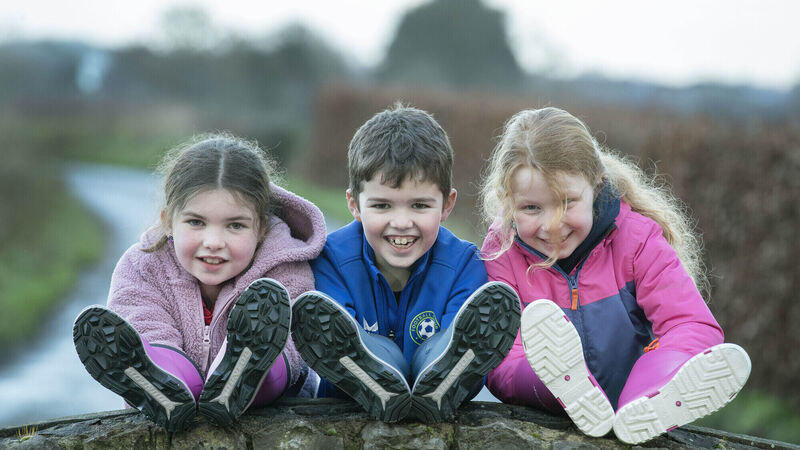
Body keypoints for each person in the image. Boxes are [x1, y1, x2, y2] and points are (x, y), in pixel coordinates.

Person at [479, 107, 752, 444]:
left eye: (567, 203)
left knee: (674, 356)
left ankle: (649, 399)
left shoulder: (635, 239)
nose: (551, 225)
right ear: (508, 202)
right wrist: (559, 384)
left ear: (597, 185)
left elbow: (691, 324)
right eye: (532, 208)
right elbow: (502, 357)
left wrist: (645, 392)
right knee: (518, 363)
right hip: (546, 404)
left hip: (632, 396)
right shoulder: (501, 251)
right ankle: (565, 387)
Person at [73, 133, 326, 431]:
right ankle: (164, 386)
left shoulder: (284, 265)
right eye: (196, 222)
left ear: (261, 228)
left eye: (235, 225)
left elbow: (294, 345)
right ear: (168, 221)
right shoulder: (144, 266)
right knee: (152, 348)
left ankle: (246, 374)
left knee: (277, 353)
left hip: (274, 411)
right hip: (173, 392)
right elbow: (144, 322)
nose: (213, 242)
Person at [291, 104, 520, 423]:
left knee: (449, 347)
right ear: (354, 205)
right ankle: (379, 370)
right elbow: (326, 338)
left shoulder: (463, 264)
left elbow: (475, 360)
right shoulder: (333, 258)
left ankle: (434, 375)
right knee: (347, 333)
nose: (401, 222)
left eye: (419, 206)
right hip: (346, 405)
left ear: (446, 205)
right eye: (382, 205)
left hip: (440, 396)